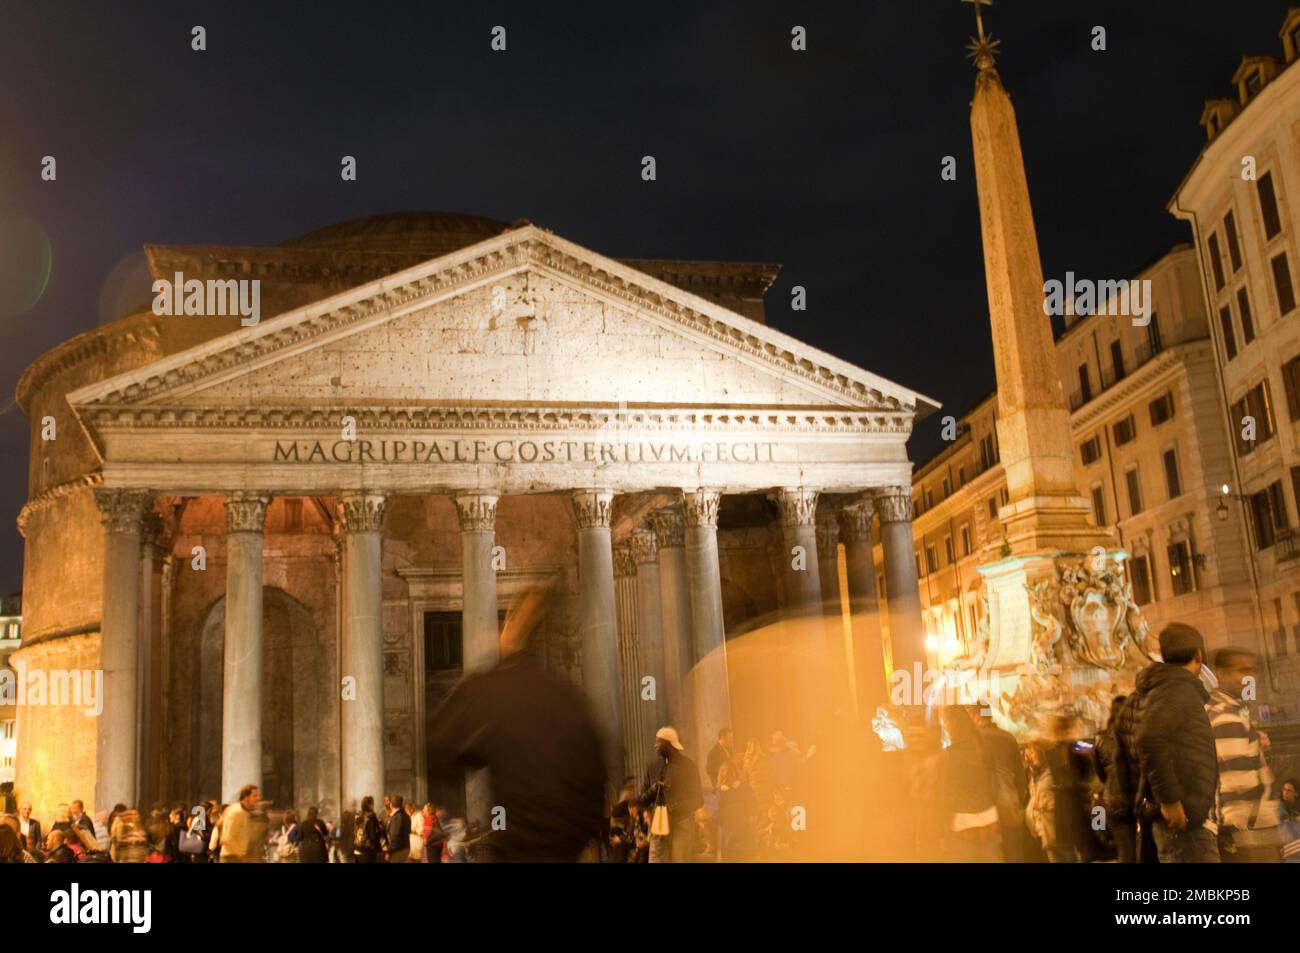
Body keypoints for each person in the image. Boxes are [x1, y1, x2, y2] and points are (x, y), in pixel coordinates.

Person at [426, 586, 607, 862]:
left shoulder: (495, 688)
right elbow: (597, 786)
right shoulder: (572, 700)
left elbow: (438, 747)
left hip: (517, 851)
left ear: (510, 626)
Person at [1116, 623, 1220, 863]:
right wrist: (1170, 801)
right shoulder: (1179, 689)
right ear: (1199, 654)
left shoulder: (1154, 691)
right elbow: (1149, 738)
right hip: (1183, 820)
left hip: (1171, 817)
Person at [1208, 647, 1281, 863]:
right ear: (1220, 673)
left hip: (1250, 827)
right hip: (1247, 830)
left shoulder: (1230, 711)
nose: (1250, 676)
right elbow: (1234, 782)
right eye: (1242, 670)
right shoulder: (1225, 716)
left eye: (1253, 670)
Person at [937, 706, 1001, 862]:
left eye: (945, 722)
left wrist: (943, 825)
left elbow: (947, 793)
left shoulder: (950, 755)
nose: (945, 727)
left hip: (963, 825)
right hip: (989, 818)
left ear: (953, 725)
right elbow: (992, 779)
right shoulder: (983, 746)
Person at [967, 706, 1028, 863]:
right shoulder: (1008, 738)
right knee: (1014, 850)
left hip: (986, 808)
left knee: (992, 853)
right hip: (1009, 802)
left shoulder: (974, 740)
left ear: (975, 716)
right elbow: (1020, 776)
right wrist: (1019, 801)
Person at [640, 725, 704, 863]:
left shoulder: (688, 766)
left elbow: (698, 799)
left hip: (682, 824)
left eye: (659, 742)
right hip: (659, 825)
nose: (655, 745)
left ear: (669, 744)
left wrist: (675, 806)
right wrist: (653, 789)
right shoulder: (653, 766)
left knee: (680, 859)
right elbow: (642, 800)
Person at [216, 785, 264, 863]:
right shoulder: (237, 812)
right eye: (255, 796)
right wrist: (241, 856)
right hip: (232, 858)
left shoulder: (243, 811)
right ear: (246, 797)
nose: (258, 798)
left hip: (237, 857)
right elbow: (227, 838)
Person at [354, 796, 386, 863]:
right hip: (368, 849)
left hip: (357, 847)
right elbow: (373, 835)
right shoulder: (371, 817)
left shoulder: (358, 816)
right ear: (369, 805)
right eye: (372, 804)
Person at [387, 795, 411, 863]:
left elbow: (395, 836)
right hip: (405, 847)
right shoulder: (406, 815)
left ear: (391, 805)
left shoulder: (397, 817)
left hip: (398, 849)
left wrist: (389, 851)